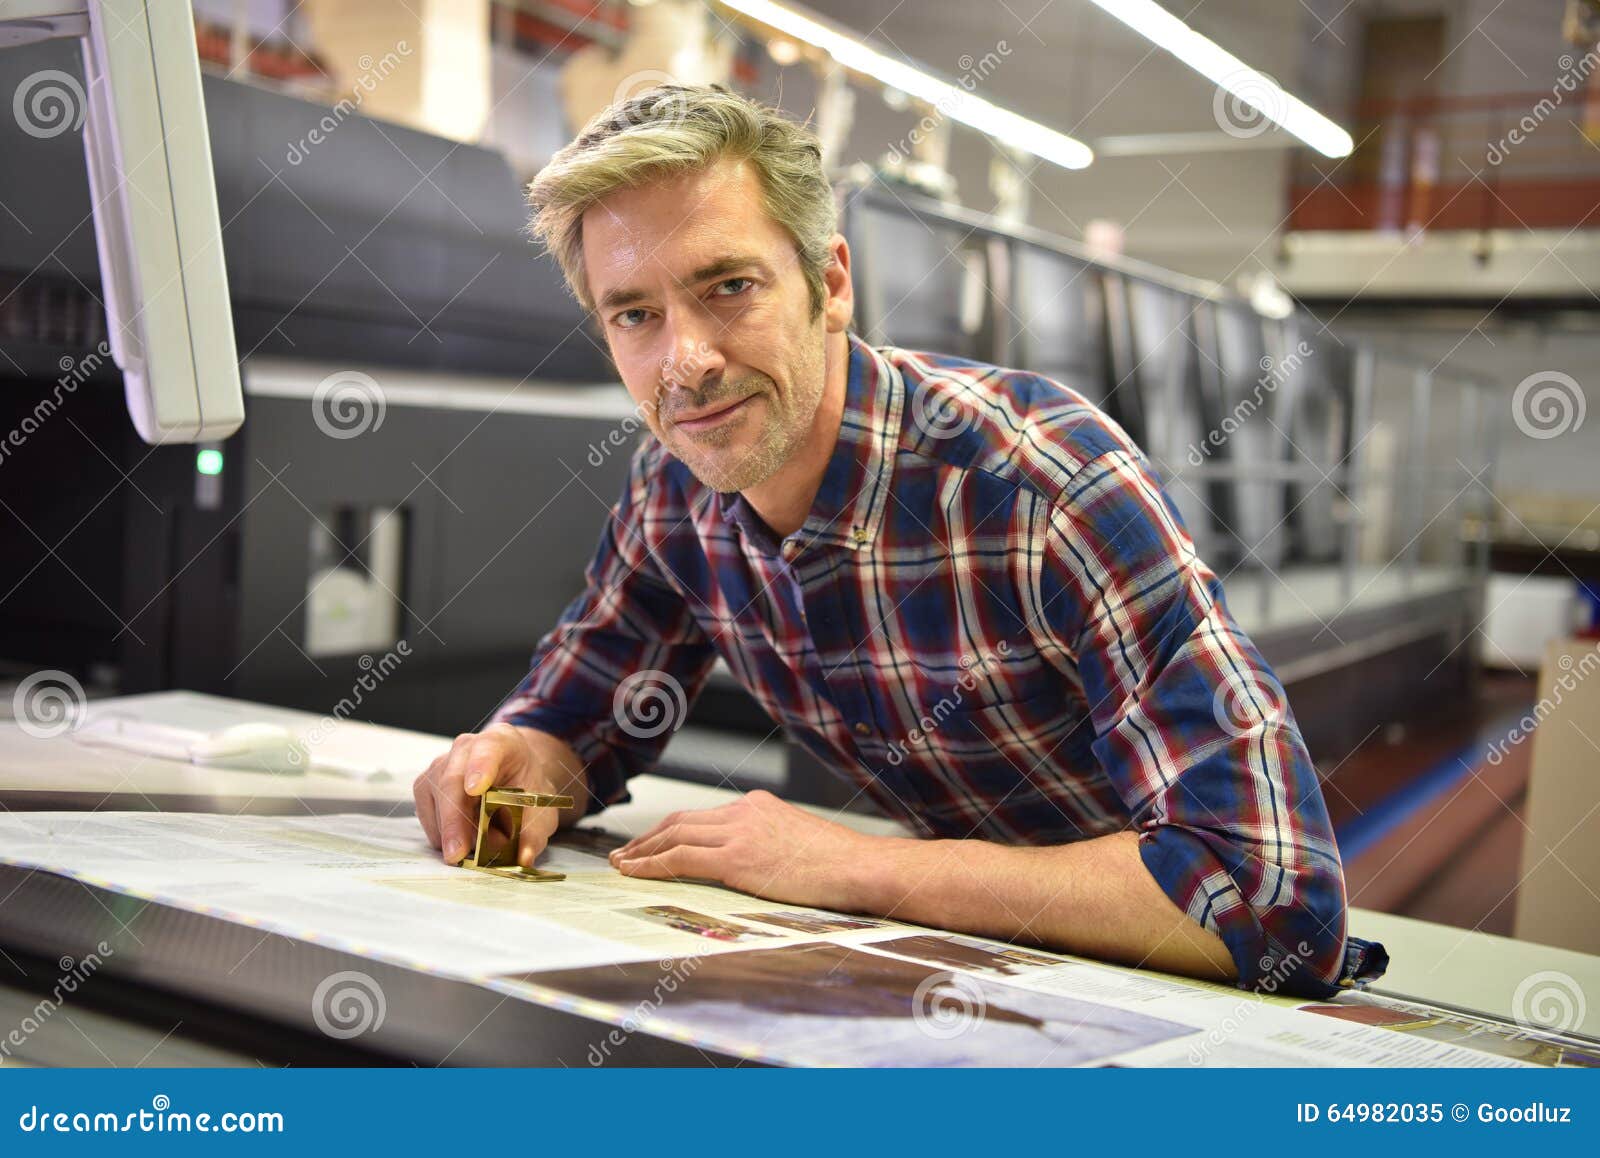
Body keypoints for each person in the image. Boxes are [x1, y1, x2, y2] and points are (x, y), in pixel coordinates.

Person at [412, 83, 1386, 999]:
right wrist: (518, 760)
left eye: (729, 287)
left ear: (830, 282)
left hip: (1175, 982)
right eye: (635, 315)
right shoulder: (678, 491)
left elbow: (1273, 902)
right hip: (978, 972)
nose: (687, 363)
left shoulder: (1045, 484)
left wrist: (852, 864)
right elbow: (578, 716)